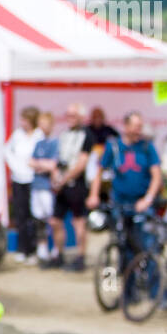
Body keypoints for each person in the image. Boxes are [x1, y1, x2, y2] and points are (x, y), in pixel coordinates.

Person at [86, 111, 161, 251]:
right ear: (126, 127)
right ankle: (126, 270)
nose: (139, 131)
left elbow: (157, 176)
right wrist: (94, 195)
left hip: (141, 202)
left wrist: (148, 199)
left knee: (145, 243)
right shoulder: (114, 146)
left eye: (140, 126)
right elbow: (99, 171)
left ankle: (149, 271)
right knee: (123, 242)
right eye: (136, 126)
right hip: (120, 202)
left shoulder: (147, 146)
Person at [51, 103, 93, 271]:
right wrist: (56, 175)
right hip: (62, 184)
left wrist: (64, 178)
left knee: (79, 221)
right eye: (67, 115)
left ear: (81, 117)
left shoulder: (86, 135)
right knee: (55, 221)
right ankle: (59, 255)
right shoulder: (64, 134)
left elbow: (81, 163)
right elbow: (58, 159)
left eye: (73, 115)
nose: (69, 118)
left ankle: (80, 257)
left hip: (77, 184)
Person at [4, 106, 43, 263]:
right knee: (20, 215)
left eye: (25, 120)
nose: (22, 123)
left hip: (33, 179)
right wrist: (15, 166)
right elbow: (7, 151)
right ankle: (22, 248)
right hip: (18, 178)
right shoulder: (17, 134)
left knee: (33, 215)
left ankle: (33, 249)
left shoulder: (39, 135)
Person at [29, 112, 61, 268]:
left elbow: (53, 165)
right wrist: (43, 165)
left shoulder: (55, 143)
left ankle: (56, 250)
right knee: (39, 219)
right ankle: (42, 250)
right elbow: (30, 162)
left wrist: (40, 165)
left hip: (48, 187)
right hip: (37, 186)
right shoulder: (38, 143)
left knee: (53, 220)